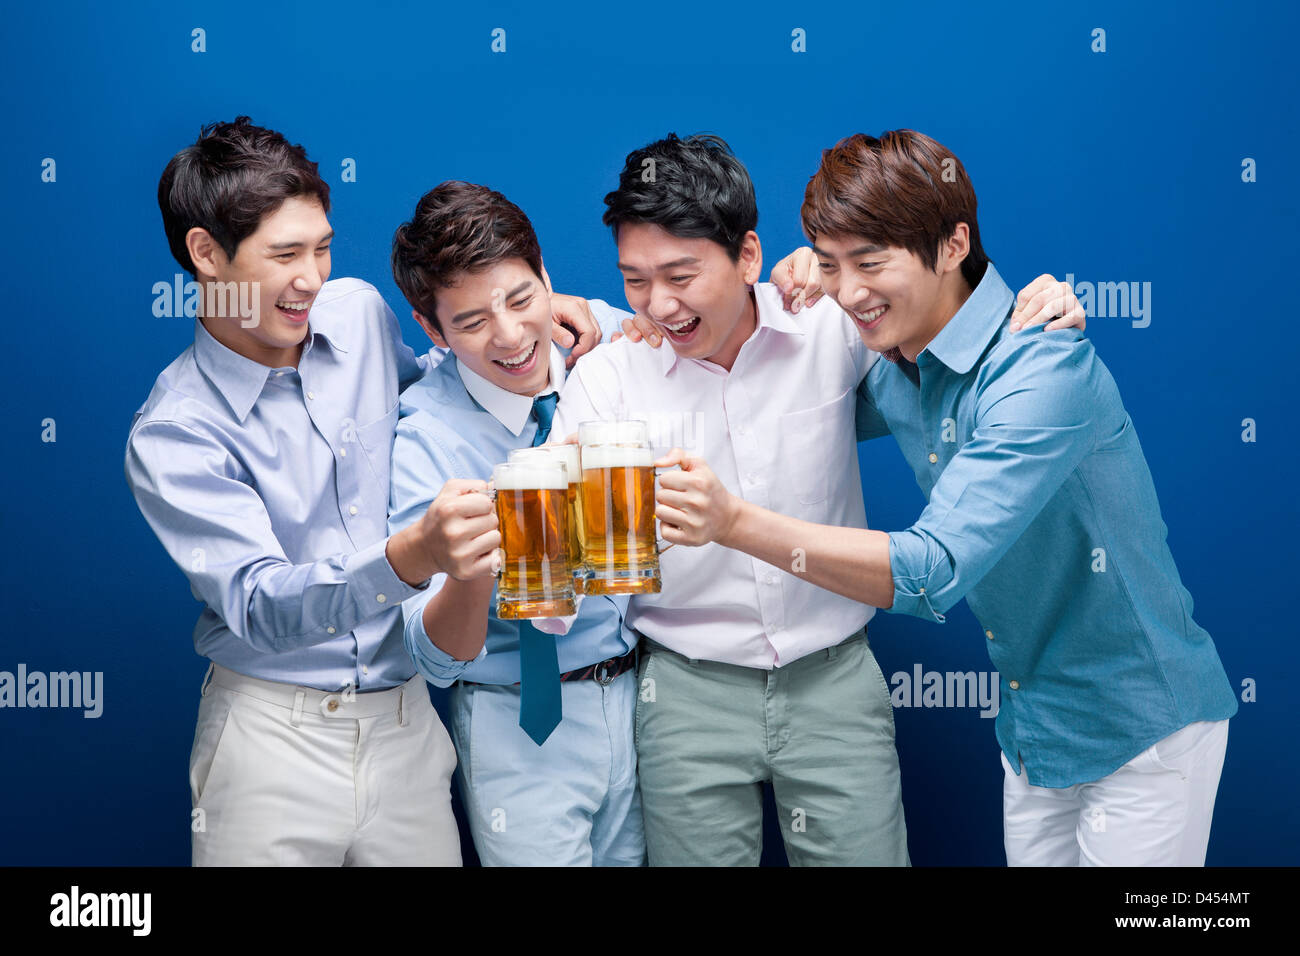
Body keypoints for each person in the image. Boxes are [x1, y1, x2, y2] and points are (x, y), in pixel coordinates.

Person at [654, 129, 1237, 867]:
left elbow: (931, 574)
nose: (849, 292)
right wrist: (641, 314)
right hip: (1033, 734)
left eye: (871, 262)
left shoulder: (1040, 369)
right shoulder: (895, 359)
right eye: (832, 265)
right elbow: (777, 387)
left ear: (955, 243)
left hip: (1143, 731)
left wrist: (733, 523)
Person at [550, 132, 1084, 866]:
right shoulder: (610, 377)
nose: (660, 303)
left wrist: (1039, 299)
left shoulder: (831, 323)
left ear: (747, 256)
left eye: (680, 274)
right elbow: (557, 583)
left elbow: (941, 315)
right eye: (635, 281)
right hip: (681, 691)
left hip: (835, 681)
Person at [124, 117, 605, 866]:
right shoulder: (175, 431)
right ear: (205, 254)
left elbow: (451, 383)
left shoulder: (354, 313)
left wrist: (533, 314)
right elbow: (260, 602)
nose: (311, 277)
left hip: (410, 723)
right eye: (285, 255)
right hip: (271, 740)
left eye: (321, 246)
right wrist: (410, 555)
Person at [386, 181, 646, 866]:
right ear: (430, 329)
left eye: (522, 298)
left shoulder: (612, 351)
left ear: (547, 280)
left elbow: (709, 316)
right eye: (470, 322)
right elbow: (433, 658)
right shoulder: (424, 441)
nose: (509, 336)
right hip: (519, 721)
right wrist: (470, 573)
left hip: (649, 700)